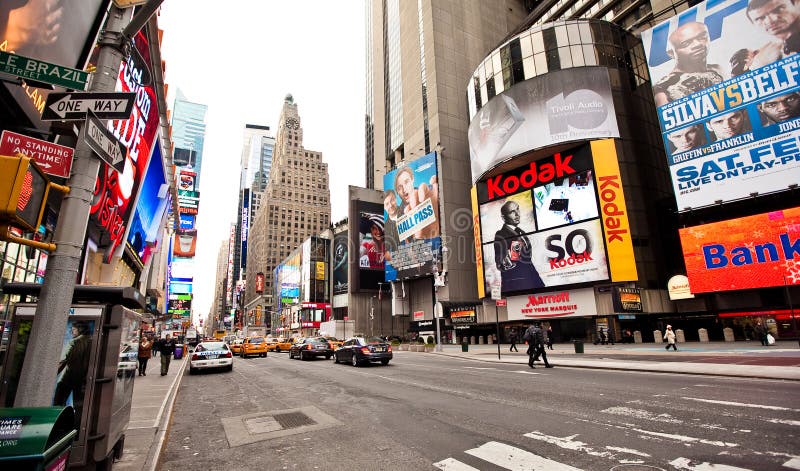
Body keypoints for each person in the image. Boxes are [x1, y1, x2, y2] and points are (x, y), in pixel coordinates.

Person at [653, 22, 726, 106]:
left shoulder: (718, 69)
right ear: (671, 53)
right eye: (685, 44)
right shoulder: (663, 89)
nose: (697, 44)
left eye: (702, 37)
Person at [731, 0, 800, 75]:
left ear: (797, 3)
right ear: (753, 24)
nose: (770, 20)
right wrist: (744, 71)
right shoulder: (765, 53)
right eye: (760, 18)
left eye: (778, 9)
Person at [493, 200, 545, 292]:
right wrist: (505, 262)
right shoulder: (500, 234)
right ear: (504, 218)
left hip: (533, 280)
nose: (517, 214)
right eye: (512, 212)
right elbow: (500, 260)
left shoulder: (521, 232)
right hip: (517, 284)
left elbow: (527, 258)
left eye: (517, 209)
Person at [54, 322, 92, 429]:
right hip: (83, 379)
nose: (72, 332)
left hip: (68, 377)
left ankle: (59, 427)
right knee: (79, 405)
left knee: (58, 402)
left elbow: (62, 361)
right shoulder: (92, 342)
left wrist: (52, 375)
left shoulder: (73, 342)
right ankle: (77, 428)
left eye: (74, 329)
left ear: (80, 330)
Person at [394, 165, 440, 240]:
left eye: (406, 182)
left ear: (412, 180)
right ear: (397, 192)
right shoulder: (397, 217)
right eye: (399, 187)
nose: (404, 189)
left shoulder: (429, 194)